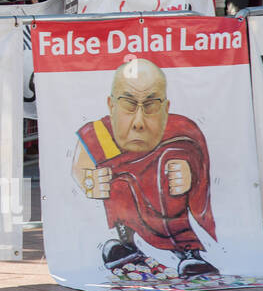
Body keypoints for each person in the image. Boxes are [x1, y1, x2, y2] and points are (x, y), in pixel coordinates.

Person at [72, 59, 218, 278]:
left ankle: (188, 254)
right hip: (127, 219)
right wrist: (91, 183)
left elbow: (199, 162)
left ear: (166, 108)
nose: (138, 121)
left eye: (151, 106)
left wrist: (191, 175)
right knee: (118, 183)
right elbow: (80, 169)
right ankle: (128, 246)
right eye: (128, 104)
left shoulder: (181, 132)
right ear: (111, 105)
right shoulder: (100, 134)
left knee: (165, 177)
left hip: (170, 215)